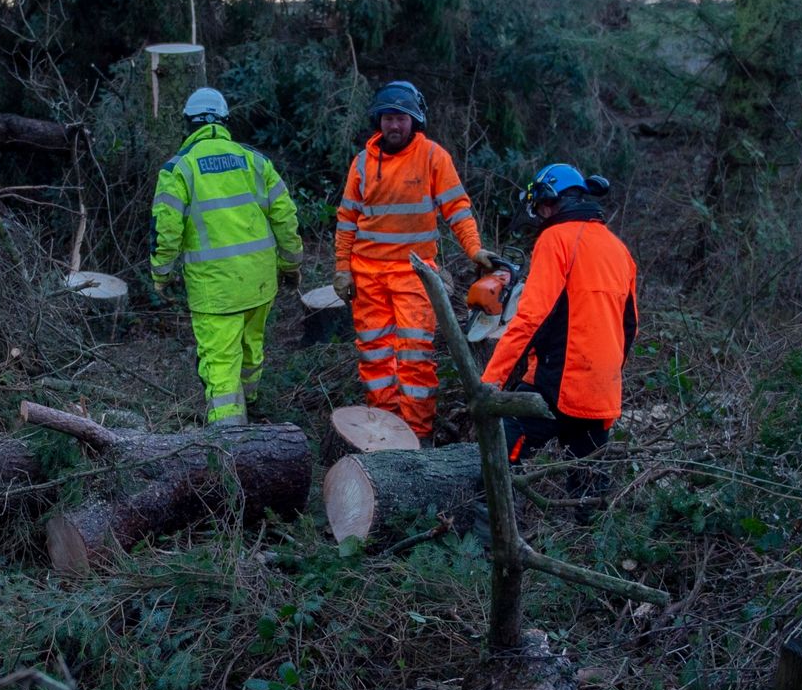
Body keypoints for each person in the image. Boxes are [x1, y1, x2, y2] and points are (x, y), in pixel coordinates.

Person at [333, 80, 501, 440]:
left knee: (415, 357)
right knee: (375, 358)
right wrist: (341, 270)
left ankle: (417, 434)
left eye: (402, 119)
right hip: (368, 276)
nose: (395, 126)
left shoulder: (432, 156)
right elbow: (346, 220)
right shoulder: (362, 162)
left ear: (415, 121)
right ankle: (384, 430)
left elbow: (457, 209)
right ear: (379, 120)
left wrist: (474, 249)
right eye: (389, 118)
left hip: (414, 274)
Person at [151, 87, 304, 423]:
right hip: (259, 283)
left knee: (220, 363)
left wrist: (161, 275)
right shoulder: (255, 161)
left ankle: (230, 442)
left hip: (215, 291)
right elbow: (286, 216)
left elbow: (166, 230)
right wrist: (290, 265)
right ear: (224, 121)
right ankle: (252, 406)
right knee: (251, 350)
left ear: (189, 124)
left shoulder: (180, 169)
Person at [481, 164, 637, 483]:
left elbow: (531, 317)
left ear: (551, 202)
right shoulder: (619, 249)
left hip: (559, 385)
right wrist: (607, 373)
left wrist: (490, 382)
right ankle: (590, 530)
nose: (540, 215)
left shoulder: (556, 239)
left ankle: (488, 529)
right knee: (588, 487)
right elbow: (630, 325)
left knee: (499, 453)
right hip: (602, 390)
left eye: (540, 208)